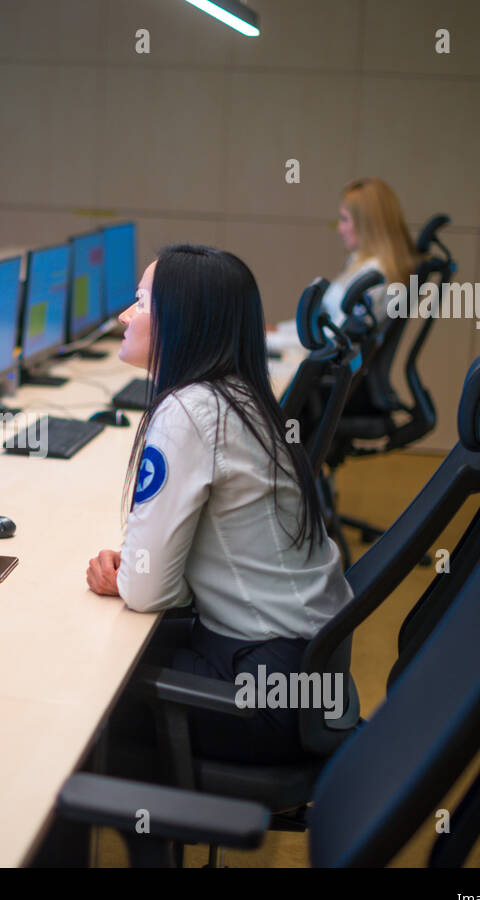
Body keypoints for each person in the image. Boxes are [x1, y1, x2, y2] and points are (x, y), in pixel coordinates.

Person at [85, 244, 353, 763]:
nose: (124, 315)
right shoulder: (239, 395)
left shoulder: (190, 411)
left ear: (180, 321)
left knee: (75, 700)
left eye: (140, 302)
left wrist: (124, 576)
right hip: (305, 677)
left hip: (263, 694)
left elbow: (147, 591)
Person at [322, 177, 419, 327]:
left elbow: (333, 339)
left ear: (367, 224)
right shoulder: (361, 262)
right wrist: (279, 332)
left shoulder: (374, 276)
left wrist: (276, 338)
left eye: (345, 219)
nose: (339, 229)